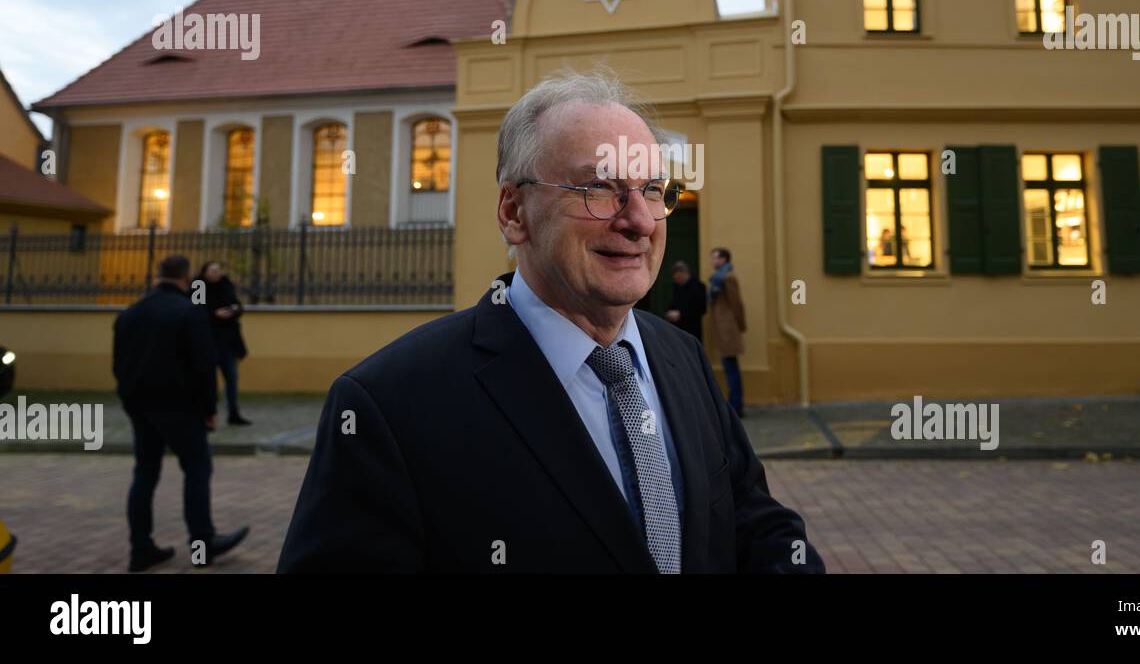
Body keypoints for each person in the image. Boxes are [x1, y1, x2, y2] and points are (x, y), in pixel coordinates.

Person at [279, 71, 823, 573]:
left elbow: (754, 525)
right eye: (600, 188)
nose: (638, 221)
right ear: (514, 213)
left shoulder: (683, 356)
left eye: (654, 191)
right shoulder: (386, 405)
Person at [112, 255, 249, 572]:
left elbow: (119, 365)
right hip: (180, 407)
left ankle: (140, 549)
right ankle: (202, 545)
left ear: (158, 275)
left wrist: (129, 399)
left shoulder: (130, 313)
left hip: (141, 407)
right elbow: (203, 367)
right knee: (197, 469)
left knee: (145, 474)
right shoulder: (189, 313)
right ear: (187, 278)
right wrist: (210, 410)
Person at [198, 260, 251, 426]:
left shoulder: (227, 284)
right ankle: (208, 415)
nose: (216, 273)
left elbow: (238, 305)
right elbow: (194, 310)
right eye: (212, 271)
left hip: (228, 341)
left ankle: (233, 412)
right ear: (205, 272)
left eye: (217, 270)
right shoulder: (198, 286)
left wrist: (234, 311)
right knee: (208, 381)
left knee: (232, 379)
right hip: (208, 341)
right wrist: (214, 315)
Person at [707, 248, 747, 418]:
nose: (712, 261)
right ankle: (734, 403)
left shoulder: (727, 278)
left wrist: (740, 325)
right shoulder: (718, 278)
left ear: (724, 259)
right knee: (730, 367)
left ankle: (736, 406)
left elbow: (736, 304)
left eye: (715, 258)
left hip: (728, 328)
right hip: (723, 328)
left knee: (731, 368)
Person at [665, 260, 707, 343]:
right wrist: (668, 312)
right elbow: (673, 303)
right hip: (677, 328)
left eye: (678, 276)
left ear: (685, 273)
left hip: (692, 329)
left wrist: (681, 314)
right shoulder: (676, 287)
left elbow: (701, 308)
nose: (676, 279)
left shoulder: (698, 287)